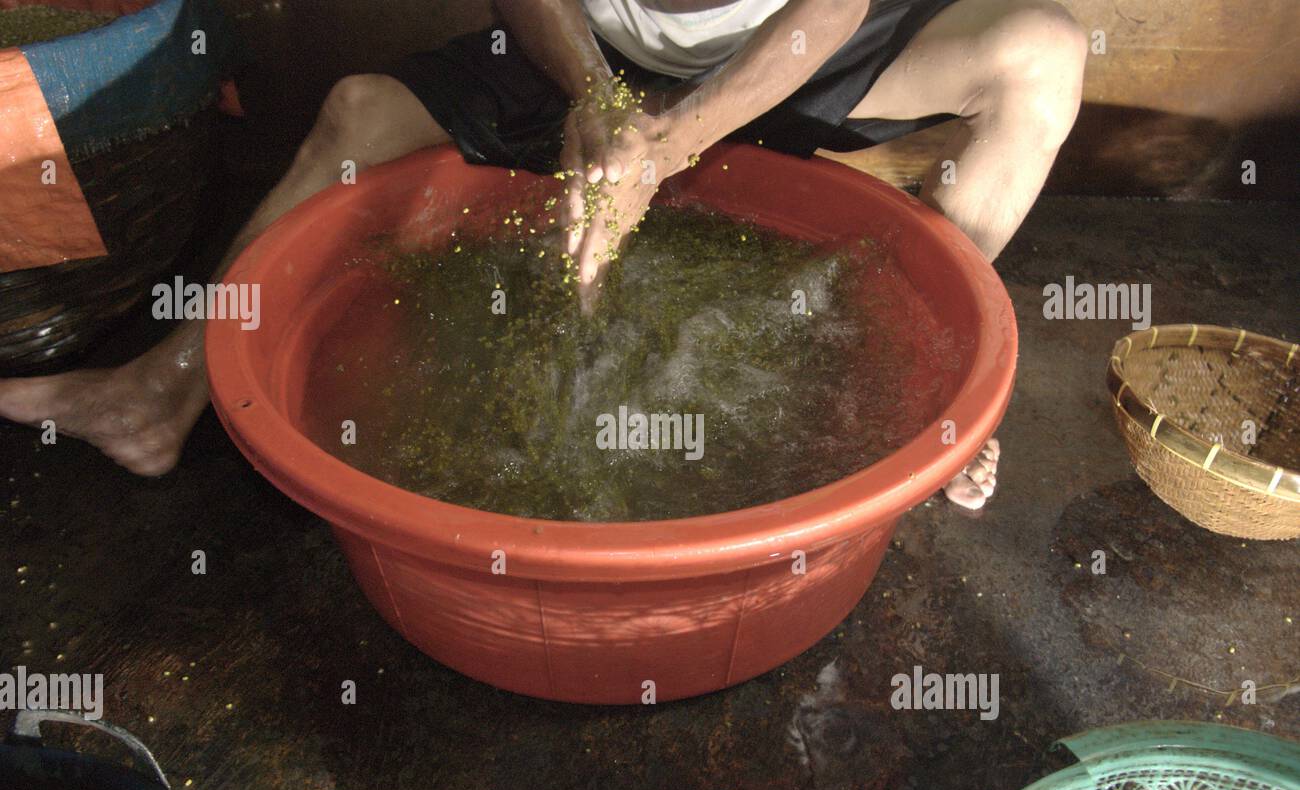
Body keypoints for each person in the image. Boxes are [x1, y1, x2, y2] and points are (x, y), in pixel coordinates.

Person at [0, 0, 1086, 509]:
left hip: (799, 51)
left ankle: (937, 391)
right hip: (603, 52)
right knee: (358, 114)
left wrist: (676, 141)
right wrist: (601, 102)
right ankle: (163, 390)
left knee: (1041, 52)